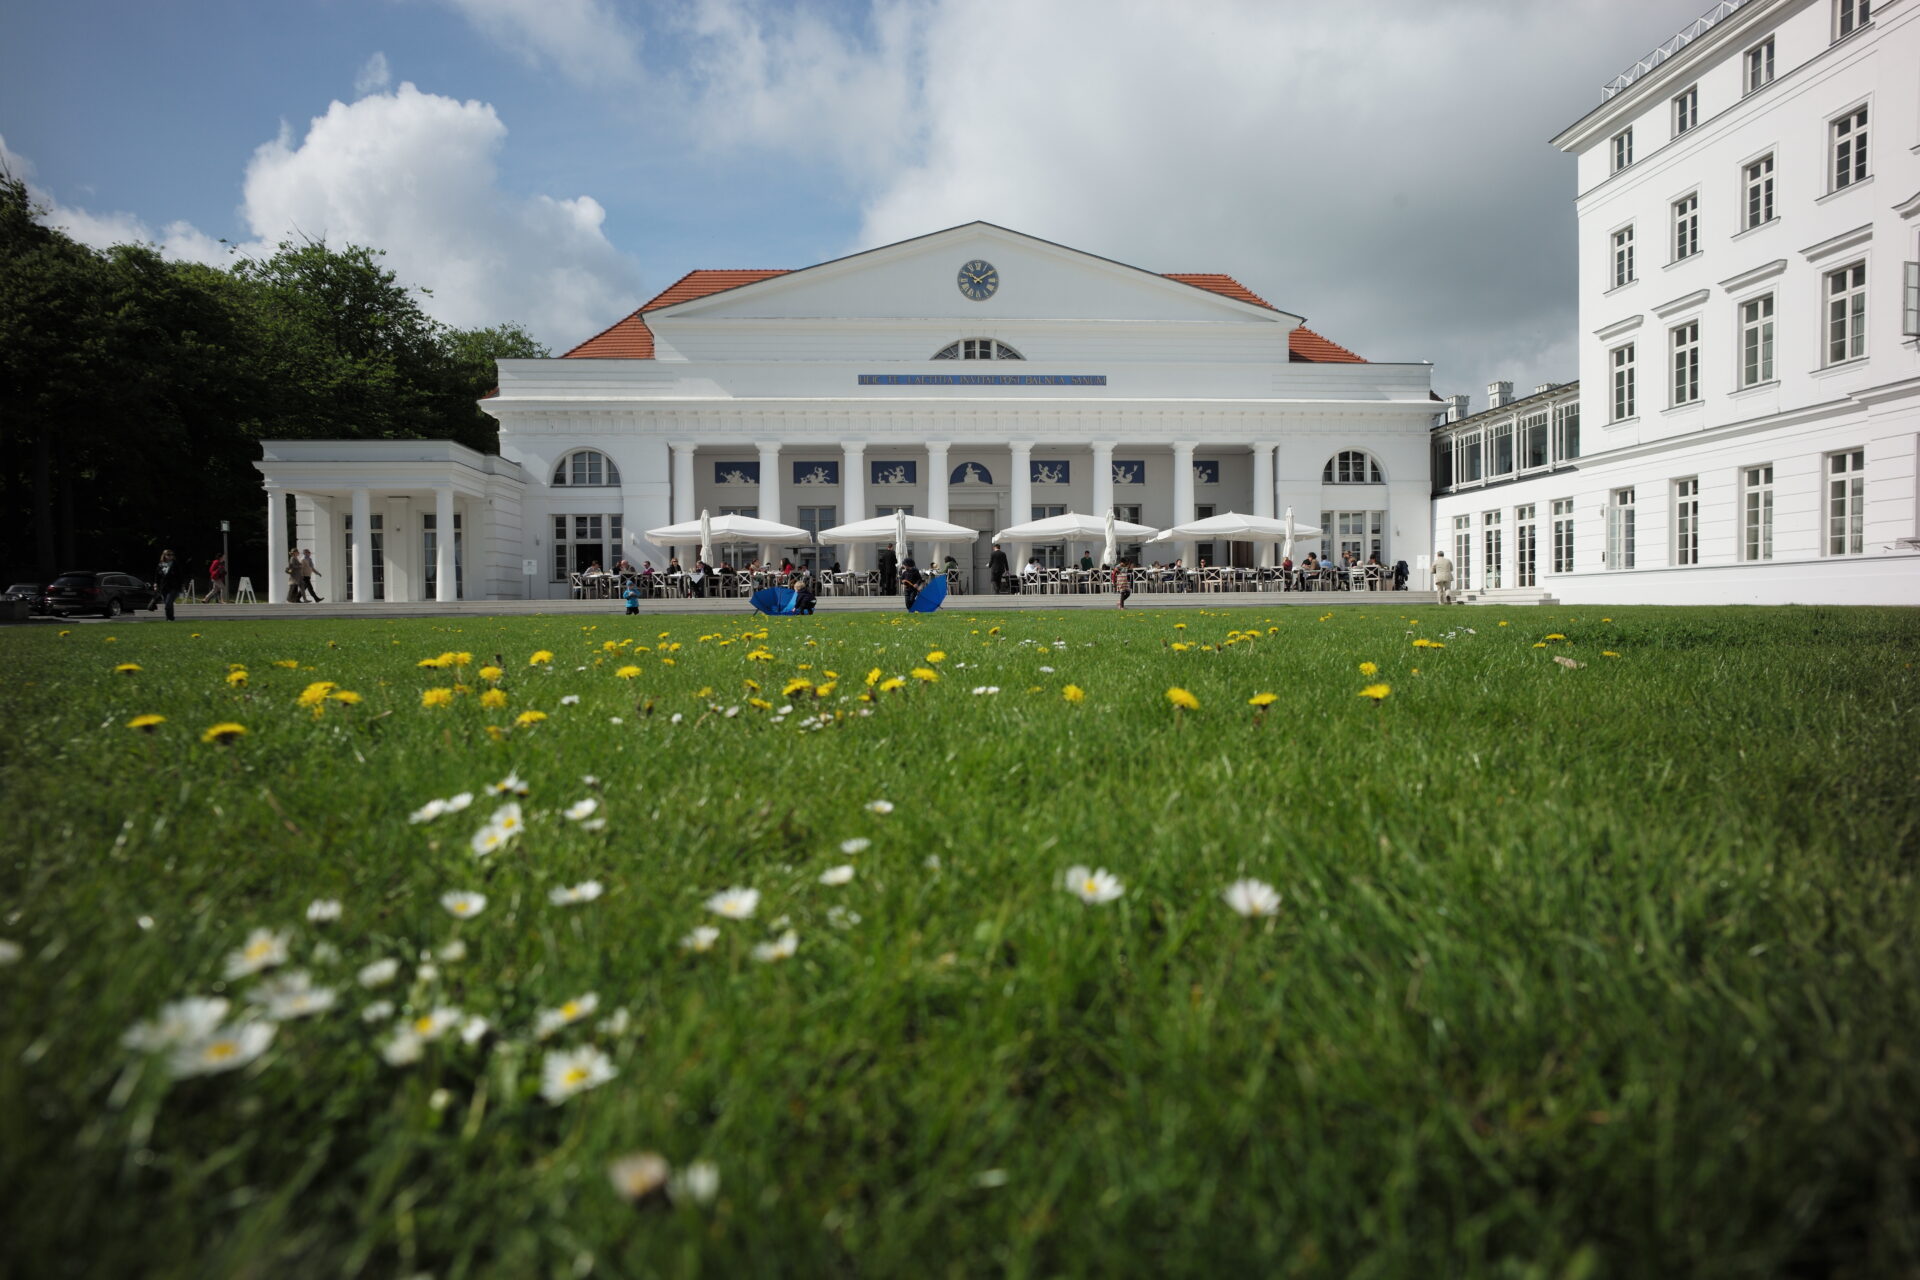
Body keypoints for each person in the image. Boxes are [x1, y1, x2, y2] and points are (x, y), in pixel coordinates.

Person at [153, 549, 189, 620]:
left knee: (168, 603)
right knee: (168, 604)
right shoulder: (160, 565)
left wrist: (182, 585)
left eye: (172, 555)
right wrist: (155, 584)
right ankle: (169, 618)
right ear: (164, 556)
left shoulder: (175, 564)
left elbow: (180, 575)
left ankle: (170, 618)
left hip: (174, 587)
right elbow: (157, 576)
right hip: (163, 587)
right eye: (168, 555)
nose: (170, 556)